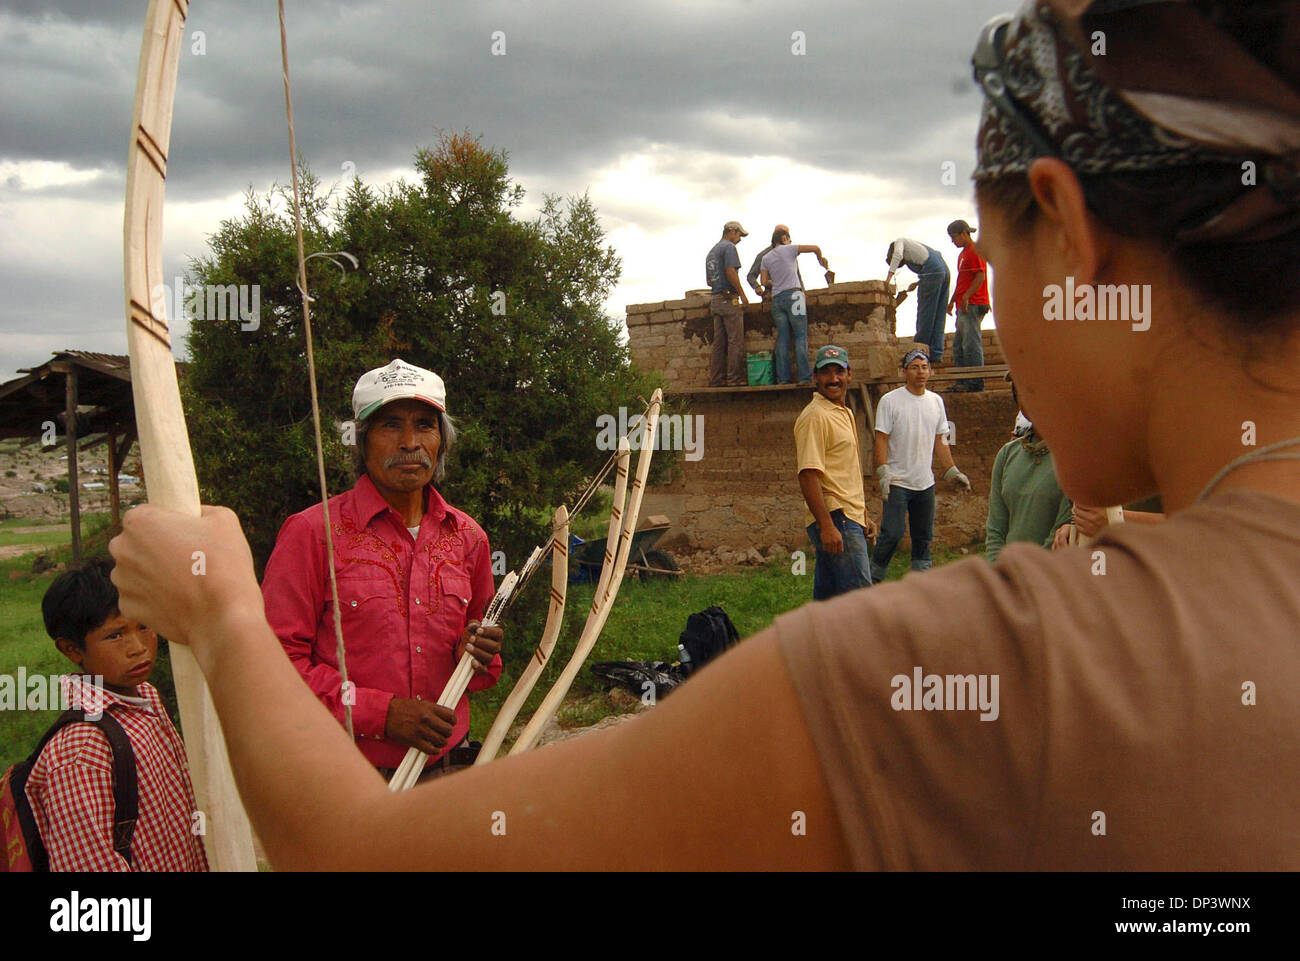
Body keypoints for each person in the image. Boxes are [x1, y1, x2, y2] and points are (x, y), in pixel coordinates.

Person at [108, 0, 1300, 870]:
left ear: (1068, 227)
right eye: (395, 425)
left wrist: (211, 607)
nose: (995, 343)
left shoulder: (977, 664)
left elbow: (356, 858)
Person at [260, 359, 503, 784]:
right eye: (391, 425)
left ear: (441, 441)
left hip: (451, 772)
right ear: (361, 439)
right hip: (347, 779)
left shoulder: (468, 537)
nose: (410, 442)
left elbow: (482, 661)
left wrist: (476, 653)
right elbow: (273, 666)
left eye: (425, 425)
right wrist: (380, 713)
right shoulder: (312, 534)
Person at [23, 558, 207, 871]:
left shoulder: (145, 697)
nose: (138, 647)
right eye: (115, 635)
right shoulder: (81, 749)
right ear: (71, 650)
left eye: (144, 626)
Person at [870, 349, 972, 582]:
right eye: (914, 367)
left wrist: (951, 470)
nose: (920, 372)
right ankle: (873, 577)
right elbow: (881, 438)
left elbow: (940, 440)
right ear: (904, 372)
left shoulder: (936, 401)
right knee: (892, 534)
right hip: (897, 481)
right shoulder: (890, 401)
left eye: (924, 367)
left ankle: (920, 582)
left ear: (931, 371)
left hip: (924, 483)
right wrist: (883, 470)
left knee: (923, 536)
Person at [794, 345, 878, 599]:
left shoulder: (843, 412)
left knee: (828, 604)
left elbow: (842, 472)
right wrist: (828, 526)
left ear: (849, 374)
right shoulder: (815, 416)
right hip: (836, 520)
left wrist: (862, 515)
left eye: (838, 371)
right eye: (826, 373)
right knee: (861, 603)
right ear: (815, 377)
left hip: (846, 518)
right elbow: (808, 474)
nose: (833, 379)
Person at [985, 376, 1070, 562]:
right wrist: (997, 574)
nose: (1034, 399)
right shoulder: (1007, 455)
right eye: (1024, 392)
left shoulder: (1074, 457)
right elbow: (996, 528)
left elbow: (1063, 526)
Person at [761, 227, 830, 384]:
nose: (790, 242)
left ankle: (783, 379)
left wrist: (777, 282)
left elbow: (764, 282)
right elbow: (815, 248)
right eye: (789, 239)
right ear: (784, 238)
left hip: (777, 299)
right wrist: (821, 259)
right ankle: (804, 378)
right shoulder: (789, 249)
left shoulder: (766, 258)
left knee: (783, 339)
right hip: (795, 296)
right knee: (800, 336)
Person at [885, 237, 951, 365]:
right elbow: (933, 267)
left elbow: (897, 255)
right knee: (938, 315)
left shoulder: (900, 242)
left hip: (933, 272)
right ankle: (936, 354)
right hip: (944, 270)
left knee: (925, 314)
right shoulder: (917, 247)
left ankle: (919, 353)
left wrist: (887, 281)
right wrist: (919, 282)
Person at [946, 219, 990, 391]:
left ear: (964, 233)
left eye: (954, 237)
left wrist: (966, 297)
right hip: (963, 304)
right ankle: (962, 381)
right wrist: (952, 302)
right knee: (959, 345)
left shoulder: (975, 251)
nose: (953, 241)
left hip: (973, 303)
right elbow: (961, 281)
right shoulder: (963, 254)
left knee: (971, 343)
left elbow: (980, 276)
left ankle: (975, 383)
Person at [705, 221, 751, 387]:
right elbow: (730, 271)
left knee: (719, 343)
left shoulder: (711, 252)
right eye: (739, 235)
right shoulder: (729, 247)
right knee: (735, 340)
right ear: (731, 231)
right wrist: (743, 296)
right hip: (728, 298)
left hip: (715, 299)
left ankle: (716, 379)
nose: (739, 239)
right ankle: (734, 379)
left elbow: (710, 281)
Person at [745, 223, 798, 300]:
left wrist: (802, 293)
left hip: (791, 295)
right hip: (773, 296)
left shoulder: (790, 255)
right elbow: (751, 276)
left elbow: (797, 276)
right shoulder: (764, 255)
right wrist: (757, 287)